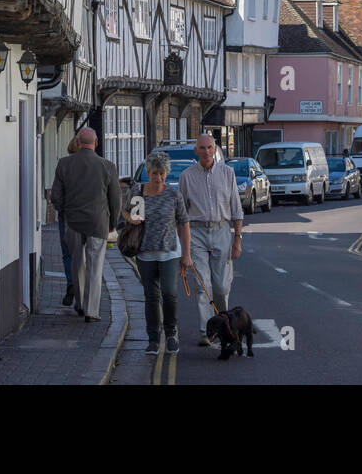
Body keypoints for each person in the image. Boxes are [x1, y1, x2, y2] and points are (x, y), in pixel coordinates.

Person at [177, 133, 243, 345]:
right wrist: (184, 249)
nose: (206, 152)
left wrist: (237, 239)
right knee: (202, 285)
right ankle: (205, 331)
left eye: (209, 147)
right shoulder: (186, 176)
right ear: (196, 150)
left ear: (215, 150)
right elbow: (181, 215)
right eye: (202, 148)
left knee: (221, 287)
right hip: (196, 233)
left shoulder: (227, 173)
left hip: (221, 230)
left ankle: (223, 325)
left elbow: (236, 209)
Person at [123, 151, 192, 353]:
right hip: (144, 252)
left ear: (167, 173)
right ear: (148, 172)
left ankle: (171, 333)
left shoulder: (173, 195)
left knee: (169, 294)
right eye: (154, 173)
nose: (159, 178)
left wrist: (187, 254)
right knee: (151, 296)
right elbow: (126, 211)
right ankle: (153, 338)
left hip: (169, 252)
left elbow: (184, 223)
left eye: (162, 173)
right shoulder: (139, 192)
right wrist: (130, 217)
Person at [50, 127, 121, 322]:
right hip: (98, 222)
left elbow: (55, 195)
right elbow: (115, 199)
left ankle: (80, 304)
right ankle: (91, 310)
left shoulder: (64, 164)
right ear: (96, 143)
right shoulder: (108, 166)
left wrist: (65, 212)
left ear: (78, 142)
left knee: (77, 263)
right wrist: (113, 223)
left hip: (72, 222)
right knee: (94, 266)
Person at [54, 133, 81, 307]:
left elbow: (56, 194)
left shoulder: (63, 164)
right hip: (86, 217)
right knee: (84, 255)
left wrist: (61, 209)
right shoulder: (92, 165)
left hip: (66, 217)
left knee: (68, 254)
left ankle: (71, 283)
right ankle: (81, 289)